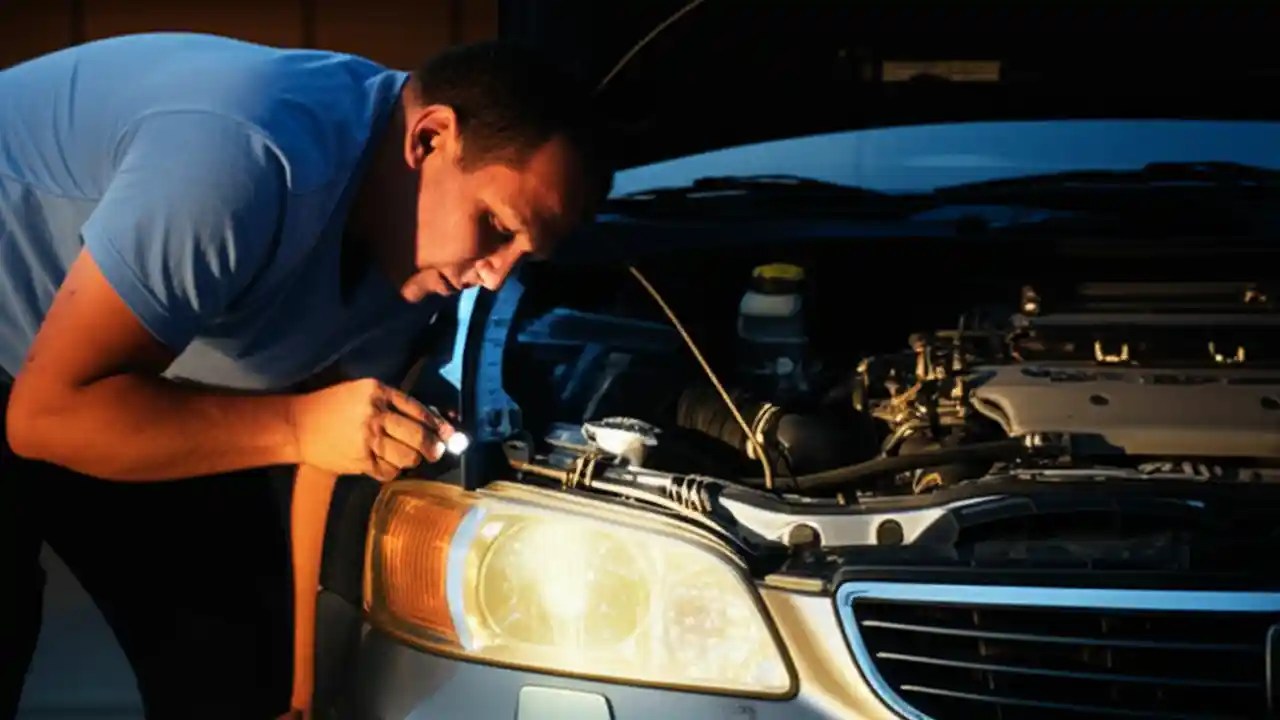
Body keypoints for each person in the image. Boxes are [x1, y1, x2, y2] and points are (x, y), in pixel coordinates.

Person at [0, 32, 610, 719]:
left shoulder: (419, 262)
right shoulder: (240, 159)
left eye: (527, 254)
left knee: (236, 670)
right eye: (496, 226)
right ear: (430, 138)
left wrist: (300, 692)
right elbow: (45, 417)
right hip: (37, 350)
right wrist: (295, 425)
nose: (496, 275)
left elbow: (327, 446)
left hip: (133, 372)